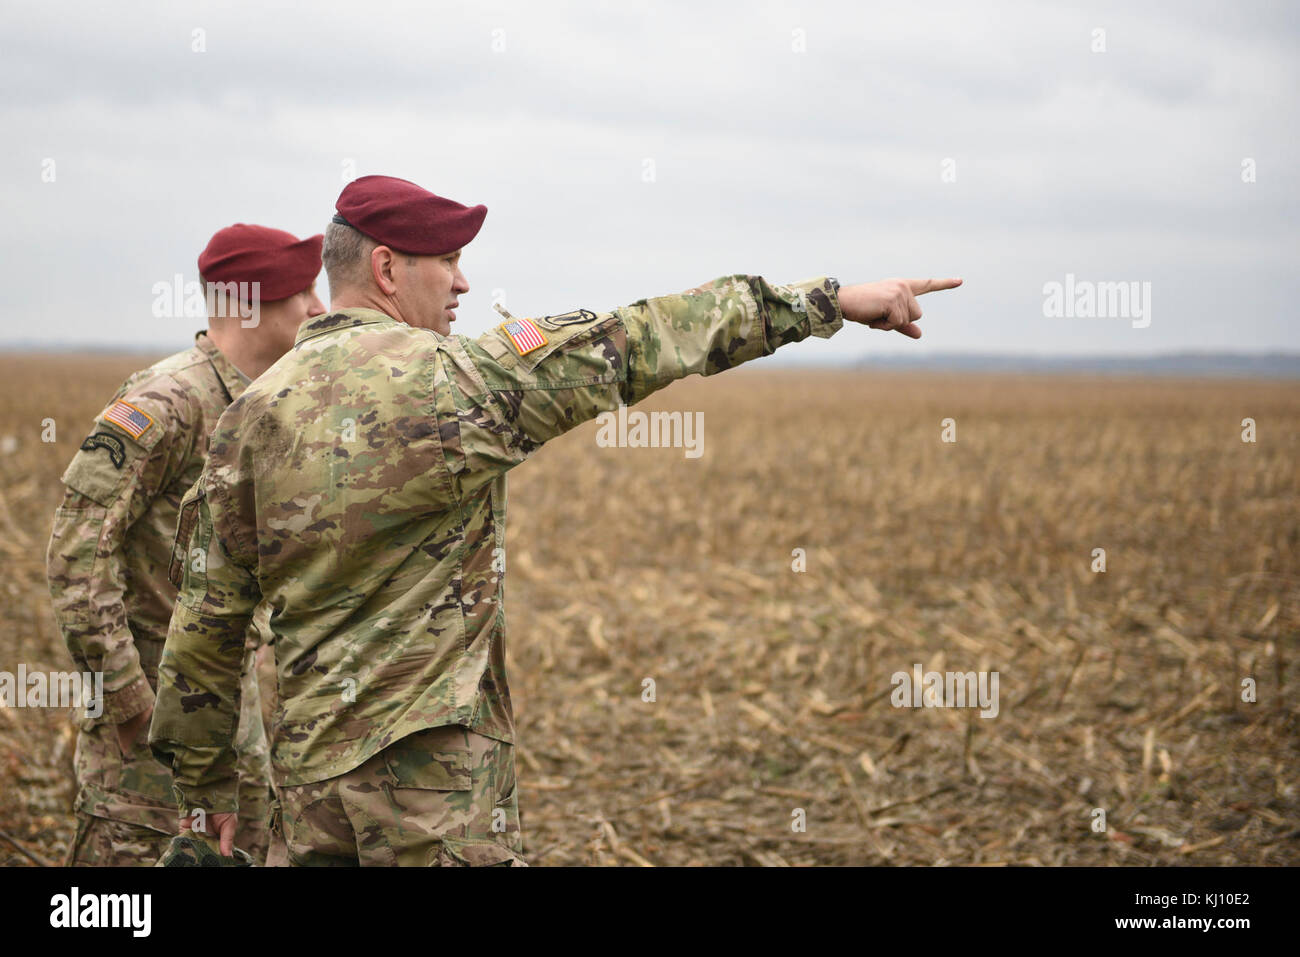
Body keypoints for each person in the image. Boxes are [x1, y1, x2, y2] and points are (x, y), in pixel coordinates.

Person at [149, 174, 961, 866]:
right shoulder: (457, 383)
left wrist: (207, 788)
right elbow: (645, 335)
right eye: (450, 261)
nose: (463, 284)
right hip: (435, 807)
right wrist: (830, 301)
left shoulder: (249, 417)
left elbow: (204, 629)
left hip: (309, 795)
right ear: (388, 268)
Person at [47, 223, 325, 865]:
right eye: (303, 293)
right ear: (251, 304)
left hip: (231, 722)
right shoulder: (168, 402)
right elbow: (76, 556)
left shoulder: (262, 406)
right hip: (148, 737)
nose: (318, 308)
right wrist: (128, 701)